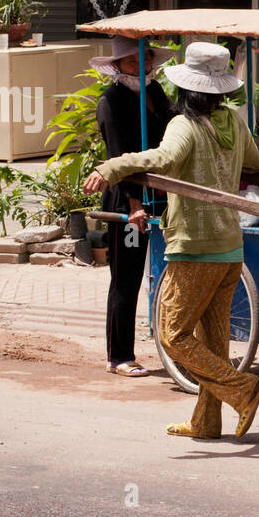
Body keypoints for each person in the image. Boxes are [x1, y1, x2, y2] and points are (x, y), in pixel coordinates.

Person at [84, 42, 259, 440]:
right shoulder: (235, 121)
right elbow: (254, 163)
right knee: (214, 341)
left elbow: (162, 160)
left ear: (186, 87)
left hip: (195, 247)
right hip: (230, 248)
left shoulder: (184, 125)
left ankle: (241, 387)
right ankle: (206, 422)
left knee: (172, 334)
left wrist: (112, 165)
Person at [90, 35, 177, 378]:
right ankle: (119, 356)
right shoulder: (110, 102)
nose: (142, 67)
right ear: (117, 67)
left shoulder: (155, 93)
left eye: (147, 60)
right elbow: (119, 158)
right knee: (125, 278)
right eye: (132, 62)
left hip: (160, 194)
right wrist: (134, 206)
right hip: (127, 203)